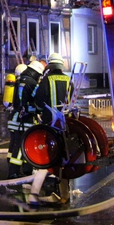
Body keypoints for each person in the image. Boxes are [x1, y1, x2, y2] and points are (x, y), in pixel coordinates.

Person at [32, 52, 73, 203]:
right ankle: (64, 191)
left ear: (50, 66)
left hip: (50, 124)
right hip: (66, 124)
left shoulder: (46, 80)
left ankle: (52, 188)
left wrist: (39, 112)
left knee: (49, 155)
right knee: (64, 155)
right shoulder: (69, 79)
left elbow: (39, 100)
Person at [7, 60, 46, 178]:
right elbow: (38, 100)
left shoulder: (19, 81)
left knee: (16, 144)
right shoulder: (32, 83)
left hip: (15, 117)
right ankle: (14, 172)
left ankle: (23, 169)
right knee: (22, 146)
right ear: (35, 73)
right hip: (25, 120)